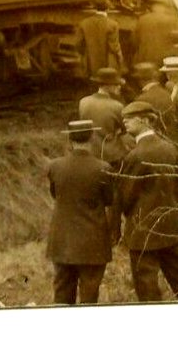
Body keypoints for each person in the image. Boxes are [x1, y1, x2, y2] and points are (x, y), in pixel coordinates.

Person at [115, 102, 178, 302]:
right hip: (170, 221)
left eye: (130, 118)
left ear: (145, 120)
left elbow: (126, 194)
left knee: (146, 280)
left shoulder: (136, 155)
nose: (124, 121)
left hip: (143, 226)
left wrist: (122, 217)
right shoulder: (169, 147)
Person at [46, 120, 117, 304]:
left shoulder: (55, 166)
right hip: (92, 241)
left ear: (70, 140)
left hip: (63, 240)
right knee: (90, 293)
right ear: (91, 138)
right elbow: (109, 200)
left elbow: (55, 195)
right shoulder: (103, 168)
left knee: (62, 292)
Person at [78, 67, 133, 166]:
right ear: (108, 86)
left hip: (90, 151)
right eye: (116, 84)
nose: (119, 87)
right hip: (112, 156)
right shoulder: (116, 106)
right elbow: (126, 131)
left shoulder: (83, 102)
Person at [76, 0, 124, 76]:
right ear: (107, 8)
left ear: (95, 7)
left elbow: (78, 45)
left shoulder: (84, 23)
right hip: (106, 67)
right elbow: (114, 48)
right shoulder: (113, 24)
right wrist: (120, 62)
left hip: (89, 66)